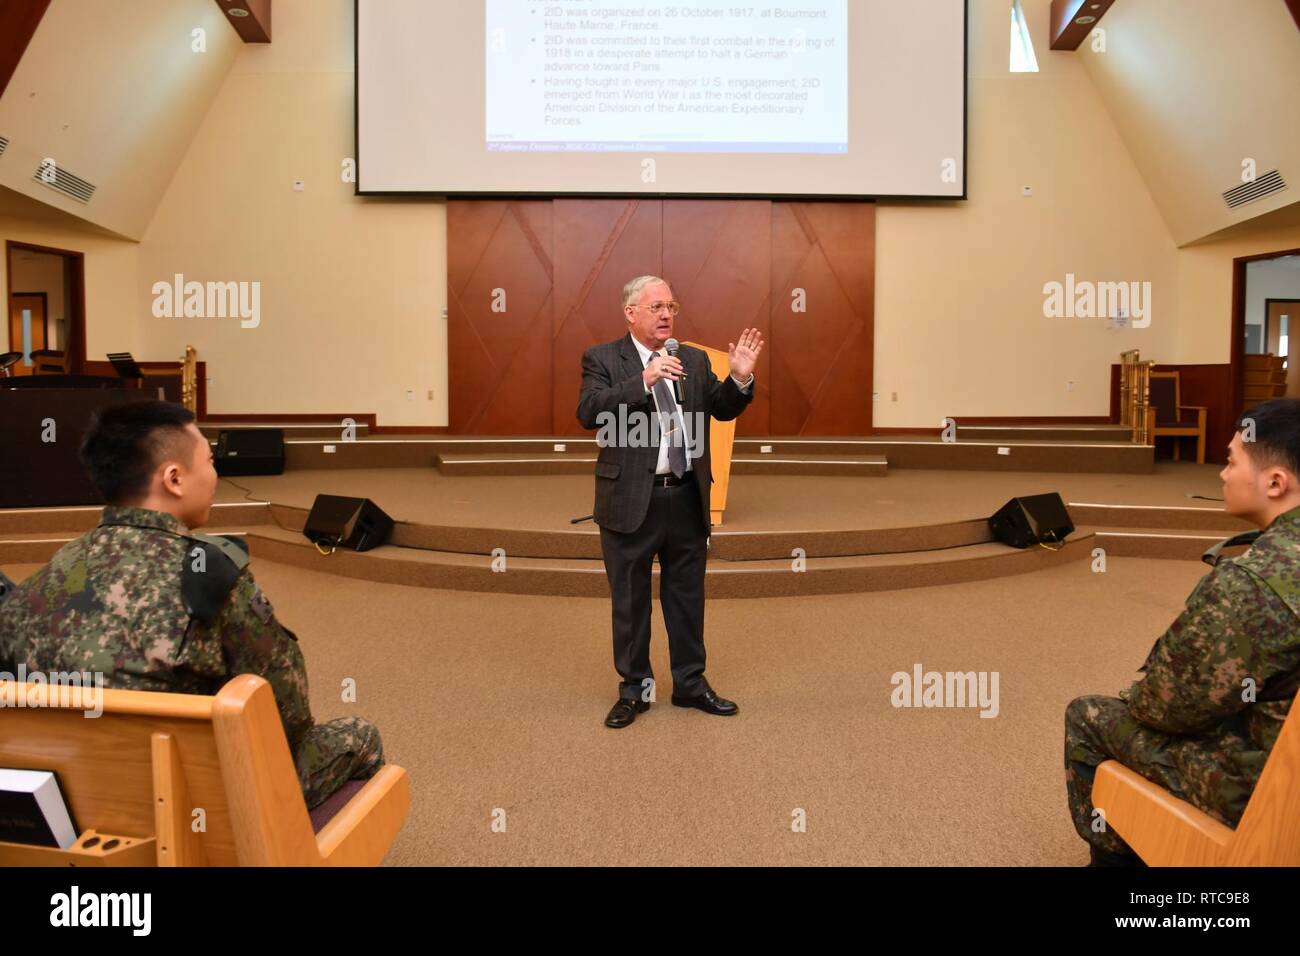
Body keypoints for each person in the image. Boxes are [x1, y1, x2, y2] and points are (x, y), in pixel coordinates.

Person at [0, 400, 383, 809]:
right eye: (211, 461)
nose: (215, 476)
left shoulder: (40, 582)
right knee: (359, 735)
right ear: (175, 478)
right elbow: (287, 721)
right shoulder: (208, 578)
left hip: (70, 799)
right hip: (187, 802)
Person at [1064, 398, 1300, 865]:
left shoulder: (1252, 583)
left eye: (1231, 461)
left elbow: (1163, 709)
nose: (1222, 474)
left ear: (1275, 482)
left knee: (1088, 716)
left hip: (1272, 789)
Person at [577, 275, 762, 728]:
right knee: (631, 600)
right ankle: (635, 690)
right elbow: (591, 411)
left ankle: (691, 685)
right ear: (631, 313)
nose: (666, 315)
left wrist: (739, 378)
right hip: (629, 501)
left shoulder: (693, 359)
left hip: (684, 498)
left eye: (671, 307)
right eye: (656, 306)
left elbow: (720, 407)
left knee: (686, 598)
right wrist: (644, 379)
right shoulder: (603, 358)